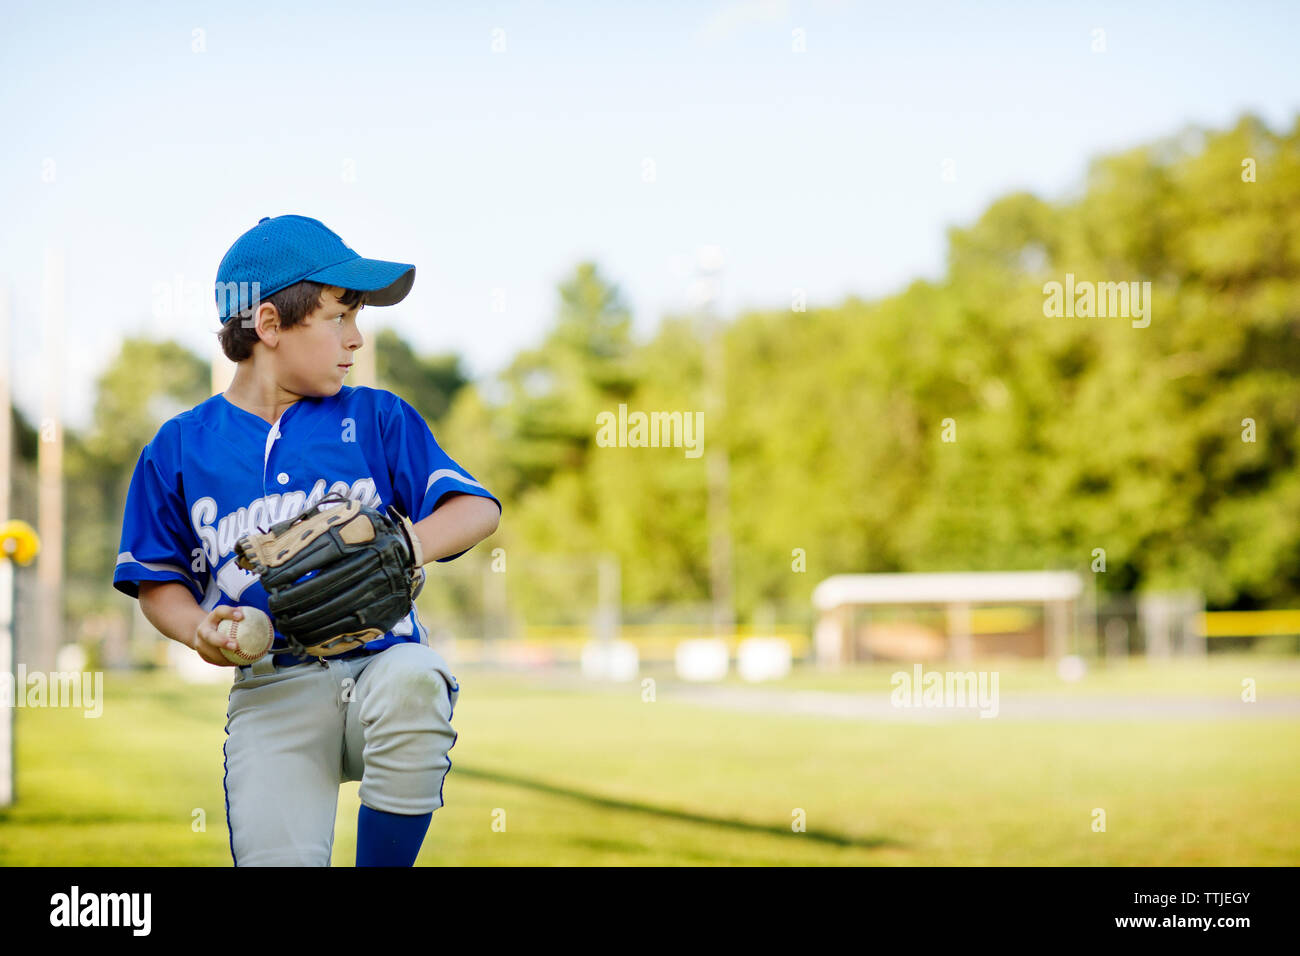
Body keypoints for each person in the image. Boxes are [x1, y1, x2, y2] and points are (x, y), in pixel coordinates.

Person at [114, 214, 501, 866]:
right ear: (268, 325)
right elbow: (157, 580)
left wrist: (407, 544)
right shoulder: (179, 447)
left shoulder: (374, 417)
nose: (357, 336)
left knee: (417, 679)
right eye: (339, 316)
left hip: (380, 665)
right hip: (272, 691)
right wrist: (198, 631)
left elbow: (476, 509)